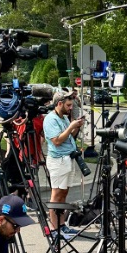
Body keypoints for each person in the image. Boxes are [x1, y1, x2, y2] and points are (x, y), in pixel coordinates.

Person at [42, 91, 85, 239]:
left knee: (64, 193)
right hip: (58, 160)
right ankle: (54, 229)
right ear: (59, 103)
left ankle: (61, 226)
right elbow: (57, 141)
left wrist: (76, 127)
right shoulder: (50, 119)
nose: (70, 108)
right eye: (68, 105)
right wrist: (70, 126)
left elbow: (69, 137)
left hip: (68, 158)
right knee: (56, 194)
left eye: (71, 105)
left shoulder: (63, 118)